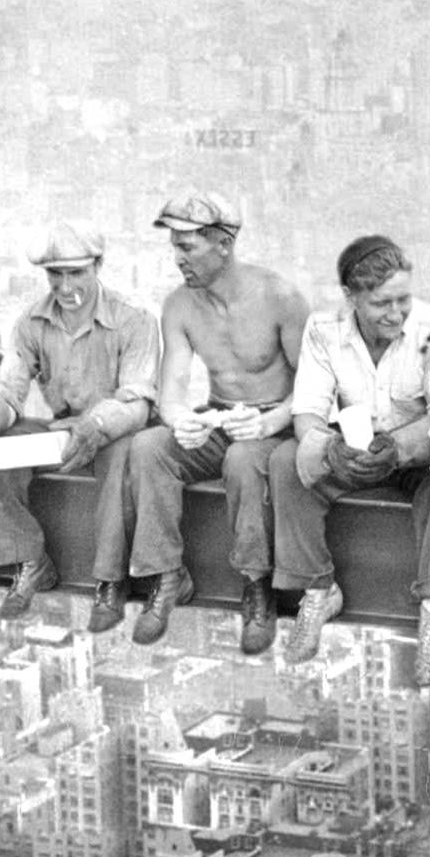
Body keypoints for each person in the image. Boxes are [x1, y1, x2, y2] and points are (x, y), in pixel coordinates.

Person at [269, 236, 430, 676]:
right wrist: (331, 448)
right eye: (381, 303)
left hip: (416, 452)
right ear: (350, 298)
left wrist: (398, 449)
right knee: (286, 463)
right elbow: (307, 412)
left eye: (403, 300)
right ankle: (318, 590)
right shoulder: (323, 330)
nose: (396, 313)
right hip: (354, 447)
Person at [127, 191, 310, 653]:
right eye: (175, 247)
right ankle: (168, 575)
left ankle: (256, 586)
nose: (177, 259)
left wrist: (269, 425)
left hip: (275, 423)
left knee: (244, 460)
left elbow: (314, 390)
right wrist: (181, 420)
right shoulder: (180, 306)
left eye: (187, 248)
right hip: (221, 415)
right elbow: (171, 391)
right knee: (149, 447)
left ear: (223, 244)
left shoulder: (281, 298)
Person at [0, 221, 158, 629]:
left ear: (98, 266)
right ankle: (31, 558)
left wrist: (96, 426)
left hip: (116, 427)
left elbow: (137, 402)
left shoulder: (133, 320)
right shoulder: (32, 321)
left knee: (120, 458)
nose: (65, 285)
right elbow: (11, 389)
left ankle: (109, 579)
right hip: (64, 429)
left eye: (76, 273)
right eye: (56, 274)